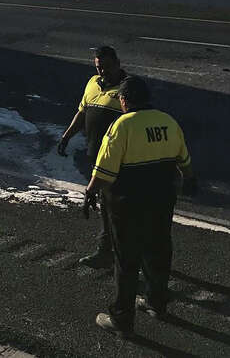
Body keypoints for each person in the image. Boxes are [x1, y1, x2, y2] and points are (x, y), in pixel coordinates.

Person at [84, 76, 196, 337]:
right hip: (161, 202)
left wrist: (89, 192)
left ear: (124, 100)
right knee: (158, 250)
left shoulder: (122, 126)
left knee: (126, 261)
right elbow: (184, 161)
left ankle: (122, 319)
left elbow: (105, 170)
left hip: (127, 205)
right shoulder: (168, 122)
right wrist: (190, 180)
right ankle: (156, 303)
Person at [57, 45, 128, 268]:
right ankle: (114, 251)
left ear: (117, 63)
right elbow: (82, 112)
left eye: (106, 67)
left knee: (116, 207)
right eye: (98, 67)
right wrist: (66, 136)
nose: (102, 72)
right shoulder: (92, 83)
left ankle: (112, 252)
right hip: (96, 157)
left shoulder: (128, 88)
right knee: (107, 206)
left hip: (119, 161)